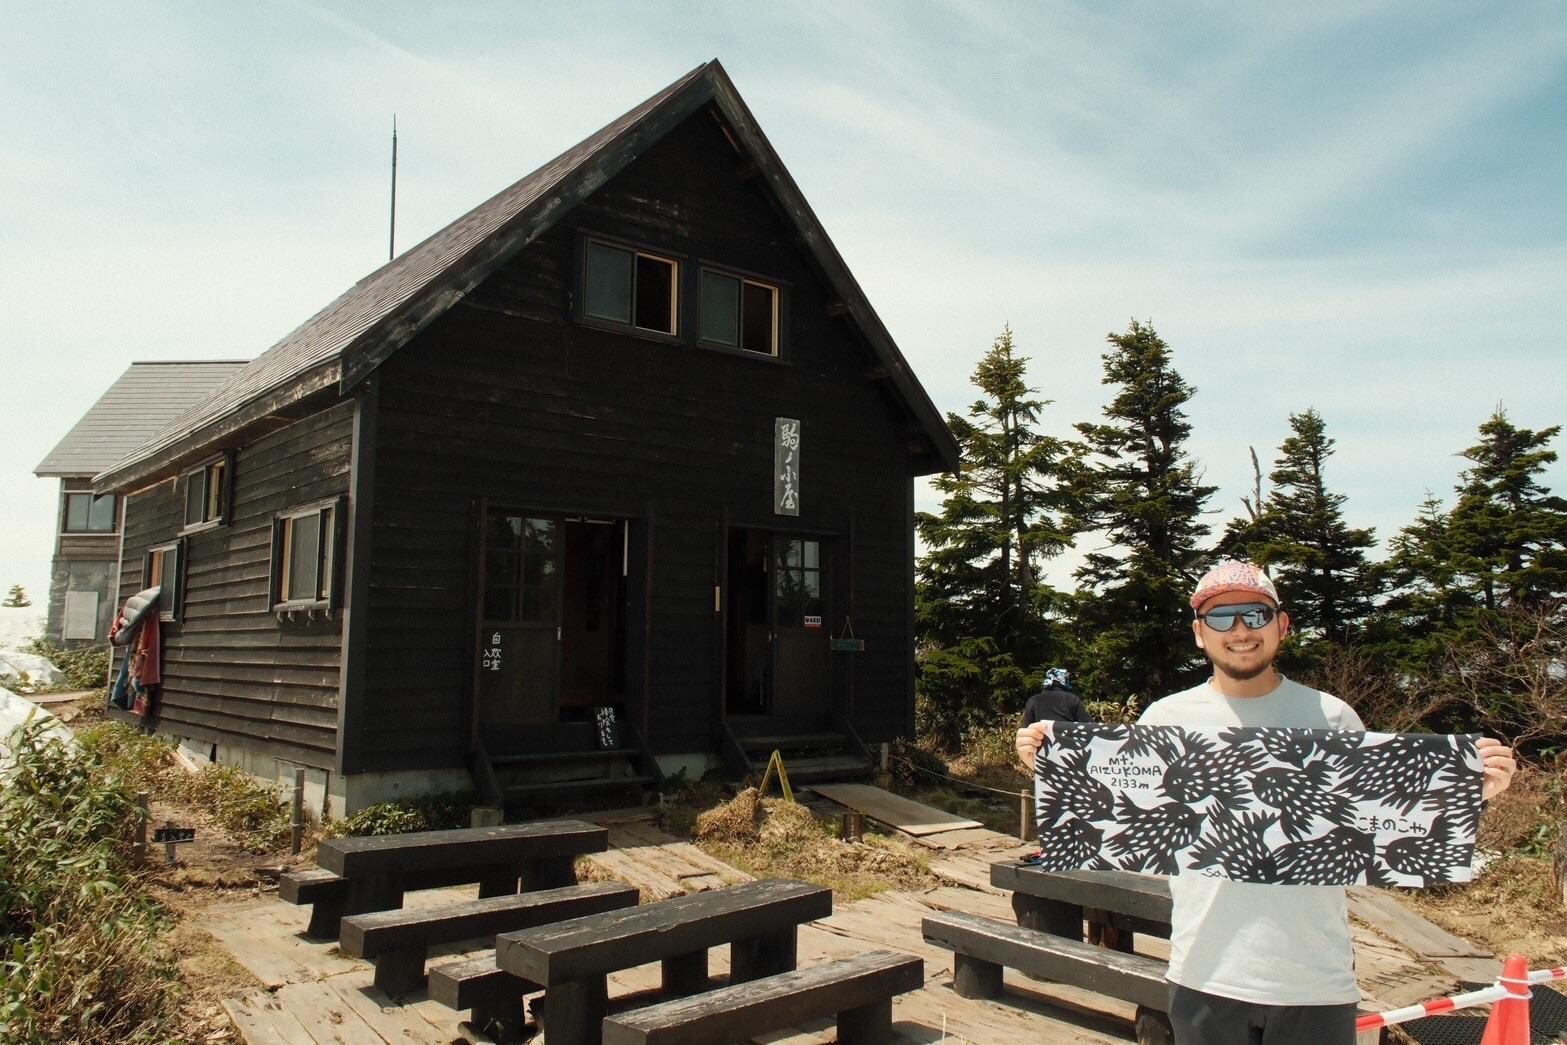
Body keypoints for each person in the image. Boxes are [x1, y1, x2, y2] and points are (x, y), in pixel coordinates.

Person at [1014, 559, 1517, 1045]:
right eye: (1220, 616)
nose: (1240, 630)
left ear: (1282, 626)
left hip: (1316, 979)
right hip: (1203, 974)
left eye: (1255, 614)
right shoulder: (1166, 717)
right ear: (1198, 632)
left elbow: (1377, 821)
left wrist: (1472, 791)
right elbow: (1120, 805)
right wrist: (1050, 766)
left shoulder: (1331, 716)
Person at [1021, 666, 1091, 727]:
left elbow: (1027, 727)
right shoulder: (1072, 699)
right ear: (1065, 681)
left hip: (1042, 741)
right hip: (1067, 741)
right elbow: (1088, 724)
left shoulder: (1034, 700)